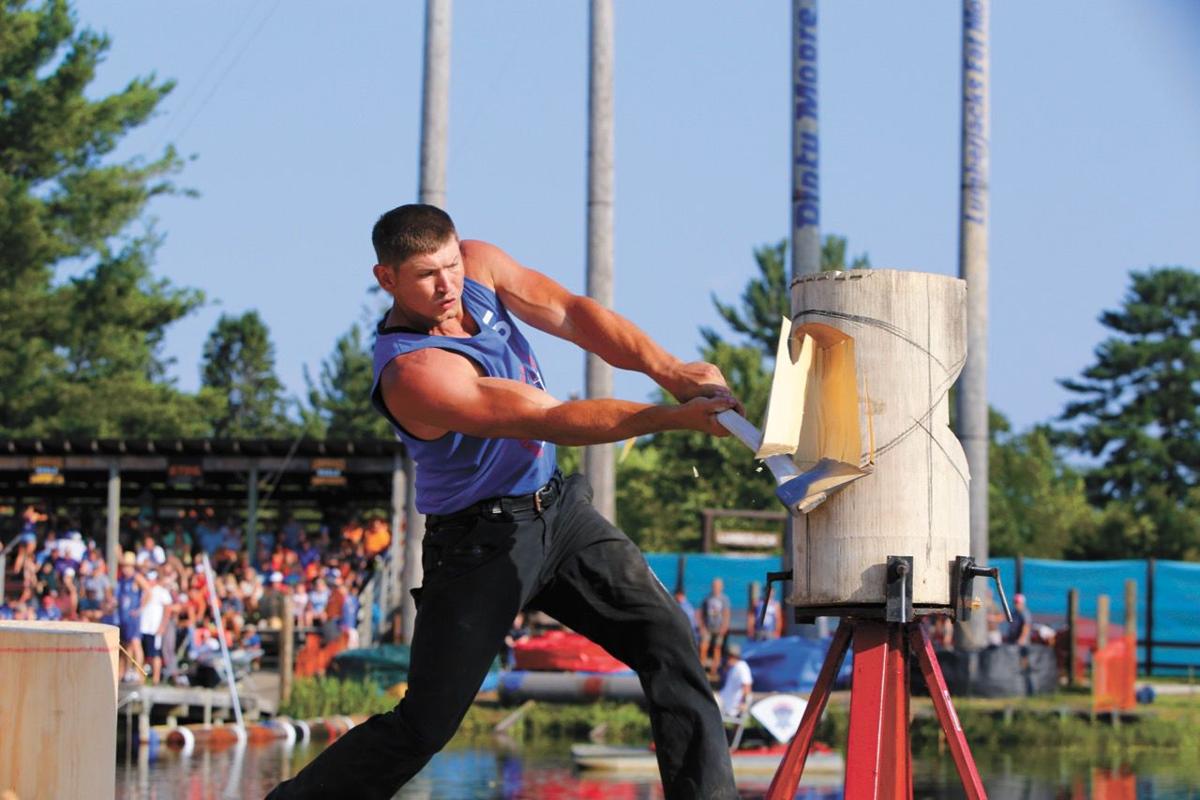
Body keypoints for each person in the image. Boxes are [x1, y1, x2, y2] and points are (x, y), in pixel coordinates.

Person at [268, 204, 740, 800]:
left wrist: (671, 369)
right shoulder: (414, 373)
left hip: (558, 514)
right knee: (425, 727)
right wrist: (675, 418)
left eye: (451, 263)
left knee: (667, 638)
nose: (447, 284)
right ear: (386, 279)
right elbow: (550, 417)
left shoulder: (481, 268)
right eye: (424, 275)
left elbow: (573, 315)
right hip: (479, 545)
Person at [698, 577, 733, 675]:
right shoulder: (707, 598)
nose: (716, 587)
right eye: (714, 586)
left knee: (717, 649)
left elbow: (727, 613)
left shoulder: (724, 599)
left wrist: (724, 626)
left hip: (719, 627)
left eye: (718, 586)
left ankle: (714, 671)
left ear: (721, 587)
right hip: (708, 627)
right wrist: (702, 627)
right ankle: (702, 669)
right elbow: (701, 613)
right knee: (703, 647)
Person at [717, 642, 754, 721]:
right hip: (724, 703)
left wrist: (744, 703)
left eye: (728, 656)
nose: (726, 658)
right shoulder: (733, 668)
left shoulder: (742, 667)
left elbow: (747, 686)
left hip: (730, 706)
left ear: (733, 656)